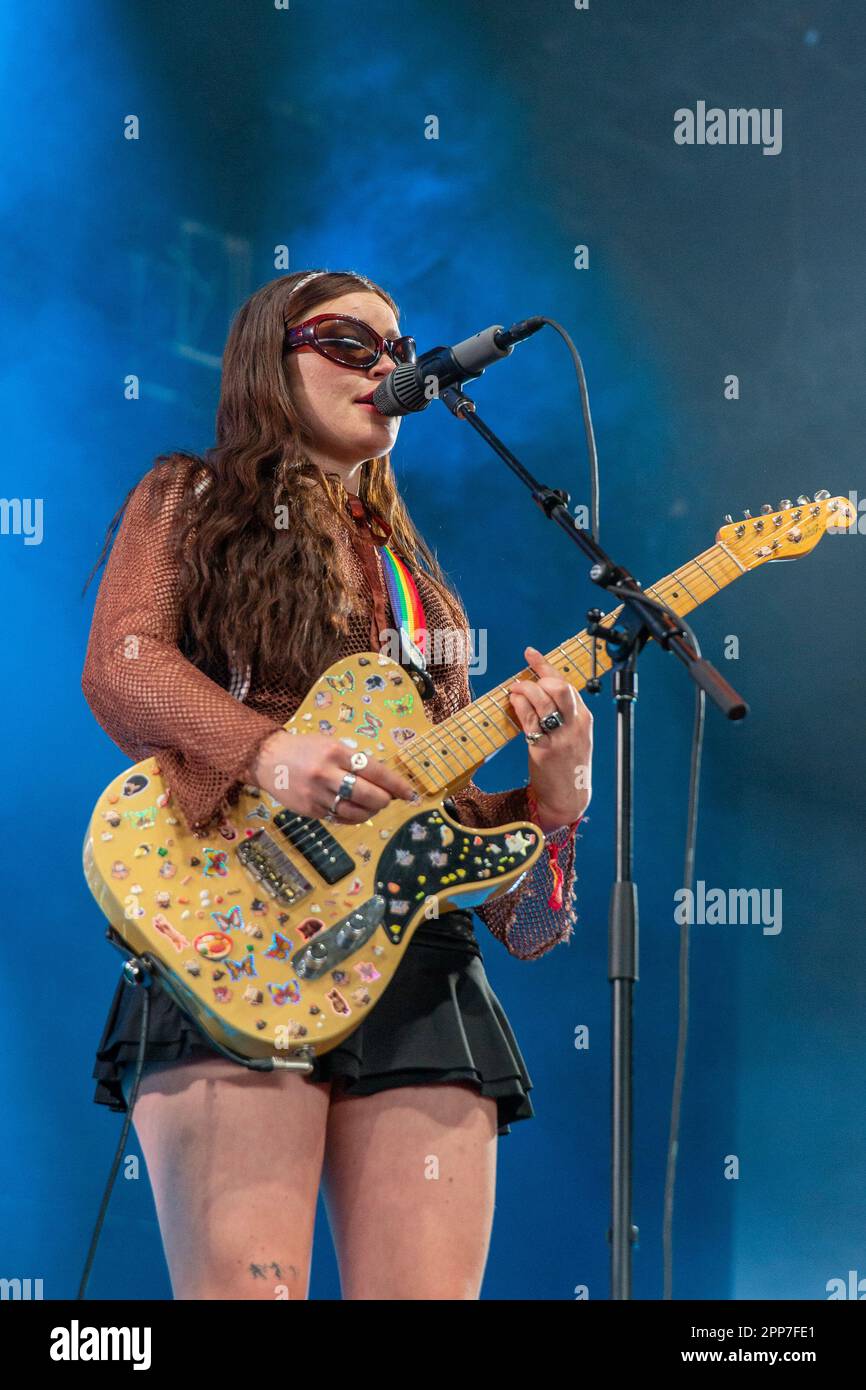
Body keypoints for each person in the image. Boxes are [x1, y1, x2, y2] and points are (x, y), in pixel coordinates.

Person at [81, 268, 593, 1300]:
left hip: (415, 964)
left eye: (399, 350)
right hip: (240, 923)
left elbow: (520, 917)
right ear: (270, 360)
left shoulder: (421, 582)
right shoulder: (188, 496)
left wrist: (554, 797)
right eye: (349, 344)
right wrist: (269, 751)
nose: (389, 368)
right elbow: (123, 663)